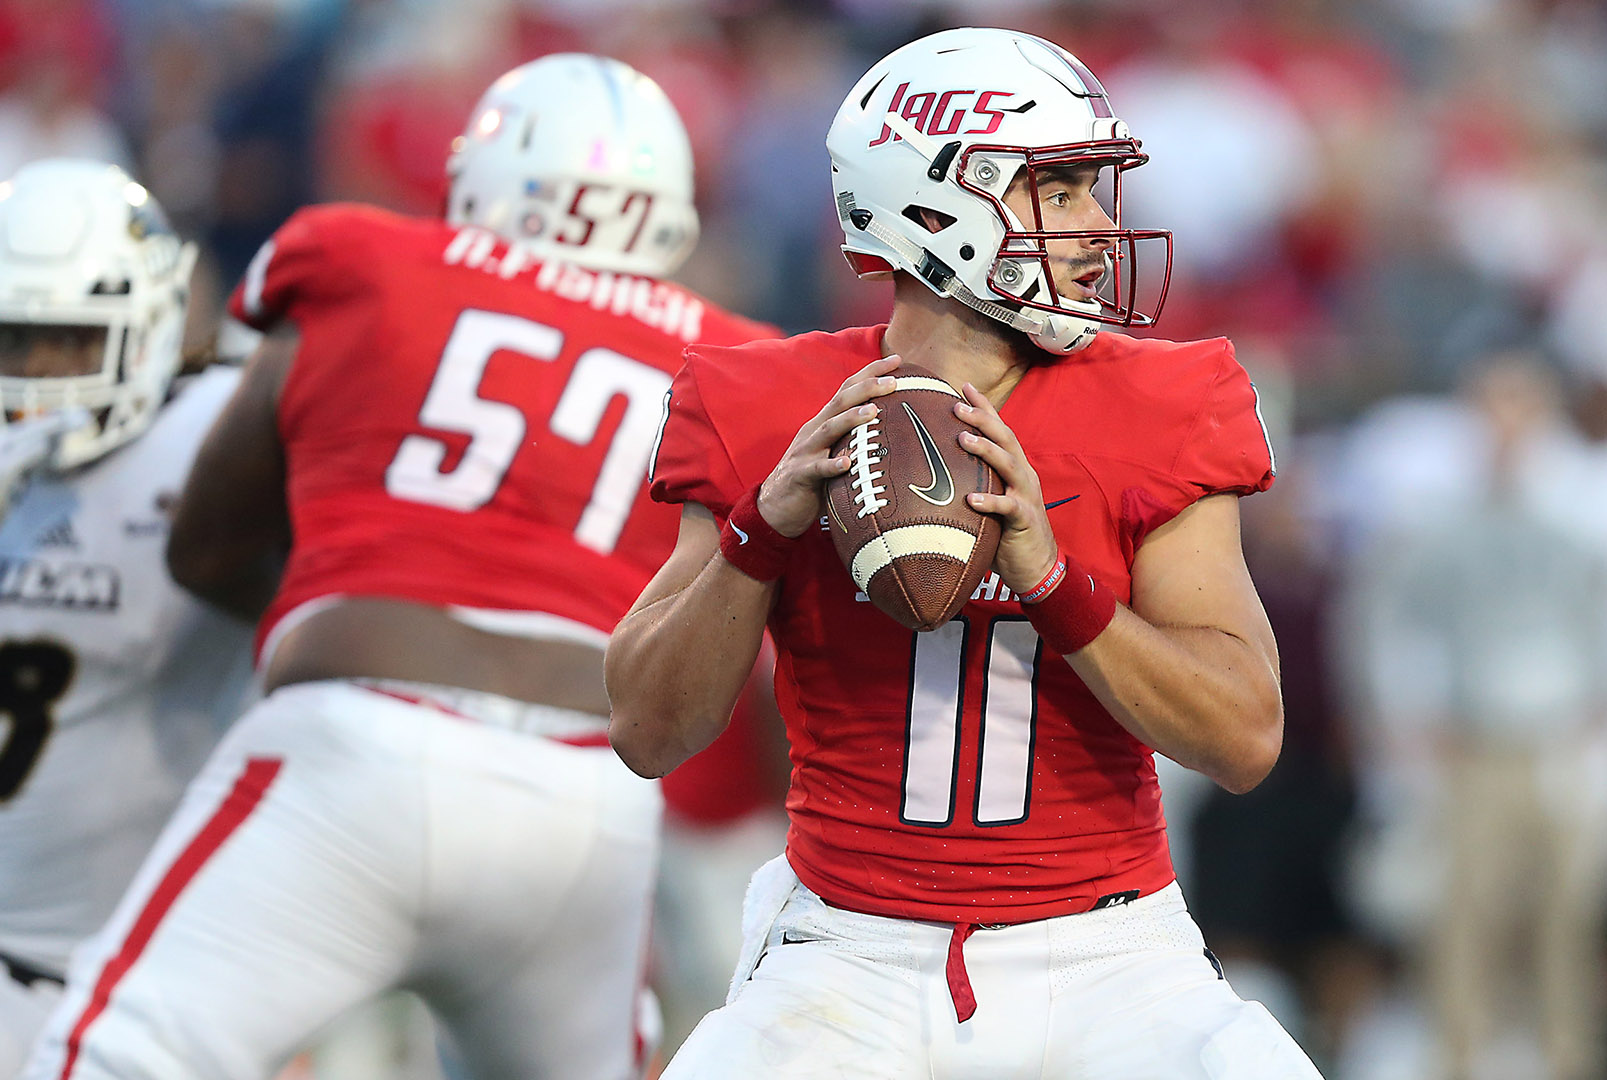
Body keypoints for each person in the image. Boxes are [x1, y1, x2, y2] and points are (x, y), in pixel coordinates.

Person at [24, 53, 777, 1080]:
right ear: (671, 222)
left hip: (360, 742)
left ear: (477, 183)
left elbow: (208, 543)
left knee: (119, 1054)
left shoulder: (364, 257)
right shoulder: (734, 359)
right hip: (584, 799)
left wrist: (340, 600)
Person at [610, 27, 1322, 1078]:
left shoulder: (1166, 398)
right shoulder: (767, 399)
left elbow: (1243, 735)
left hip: (1110, 951)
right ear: (935, 206)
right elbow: (648, 730)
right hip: (845, 950)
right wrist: (762, 536)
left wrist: (1053, 583)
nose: (1099, 228)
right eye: (1065, 190)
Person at [0, 158, 253, 1076]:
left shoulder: (218, 432)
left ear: (144, 326)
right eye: (13, 344)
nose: (34, 380)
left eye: (67, 343)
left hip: (137, 985)